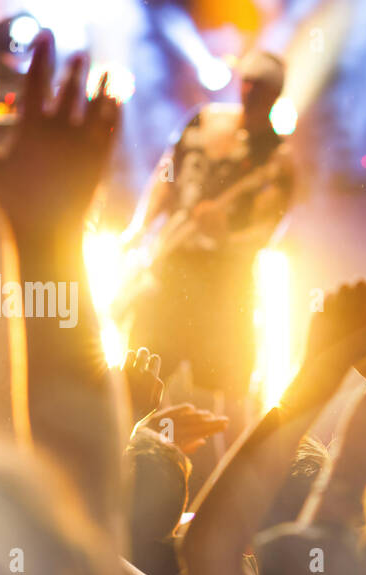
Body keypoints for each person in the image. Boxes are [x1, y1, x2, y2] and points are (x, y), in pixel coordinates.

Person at [120, 50, 296, 425]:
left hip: (224, 286)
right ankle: (125, 459)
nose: (250, 91)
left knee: (225, 399)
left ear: (275, 94)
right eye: (247, 81)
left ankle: (222, 478)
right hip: (171, 268)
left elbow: (267, 230)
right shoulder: (204, 120)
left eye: (261, 86)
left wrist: (228, 236)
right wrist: (140, 225)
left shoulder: (278, 158)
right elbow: (167, 173)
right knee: (139, 371)